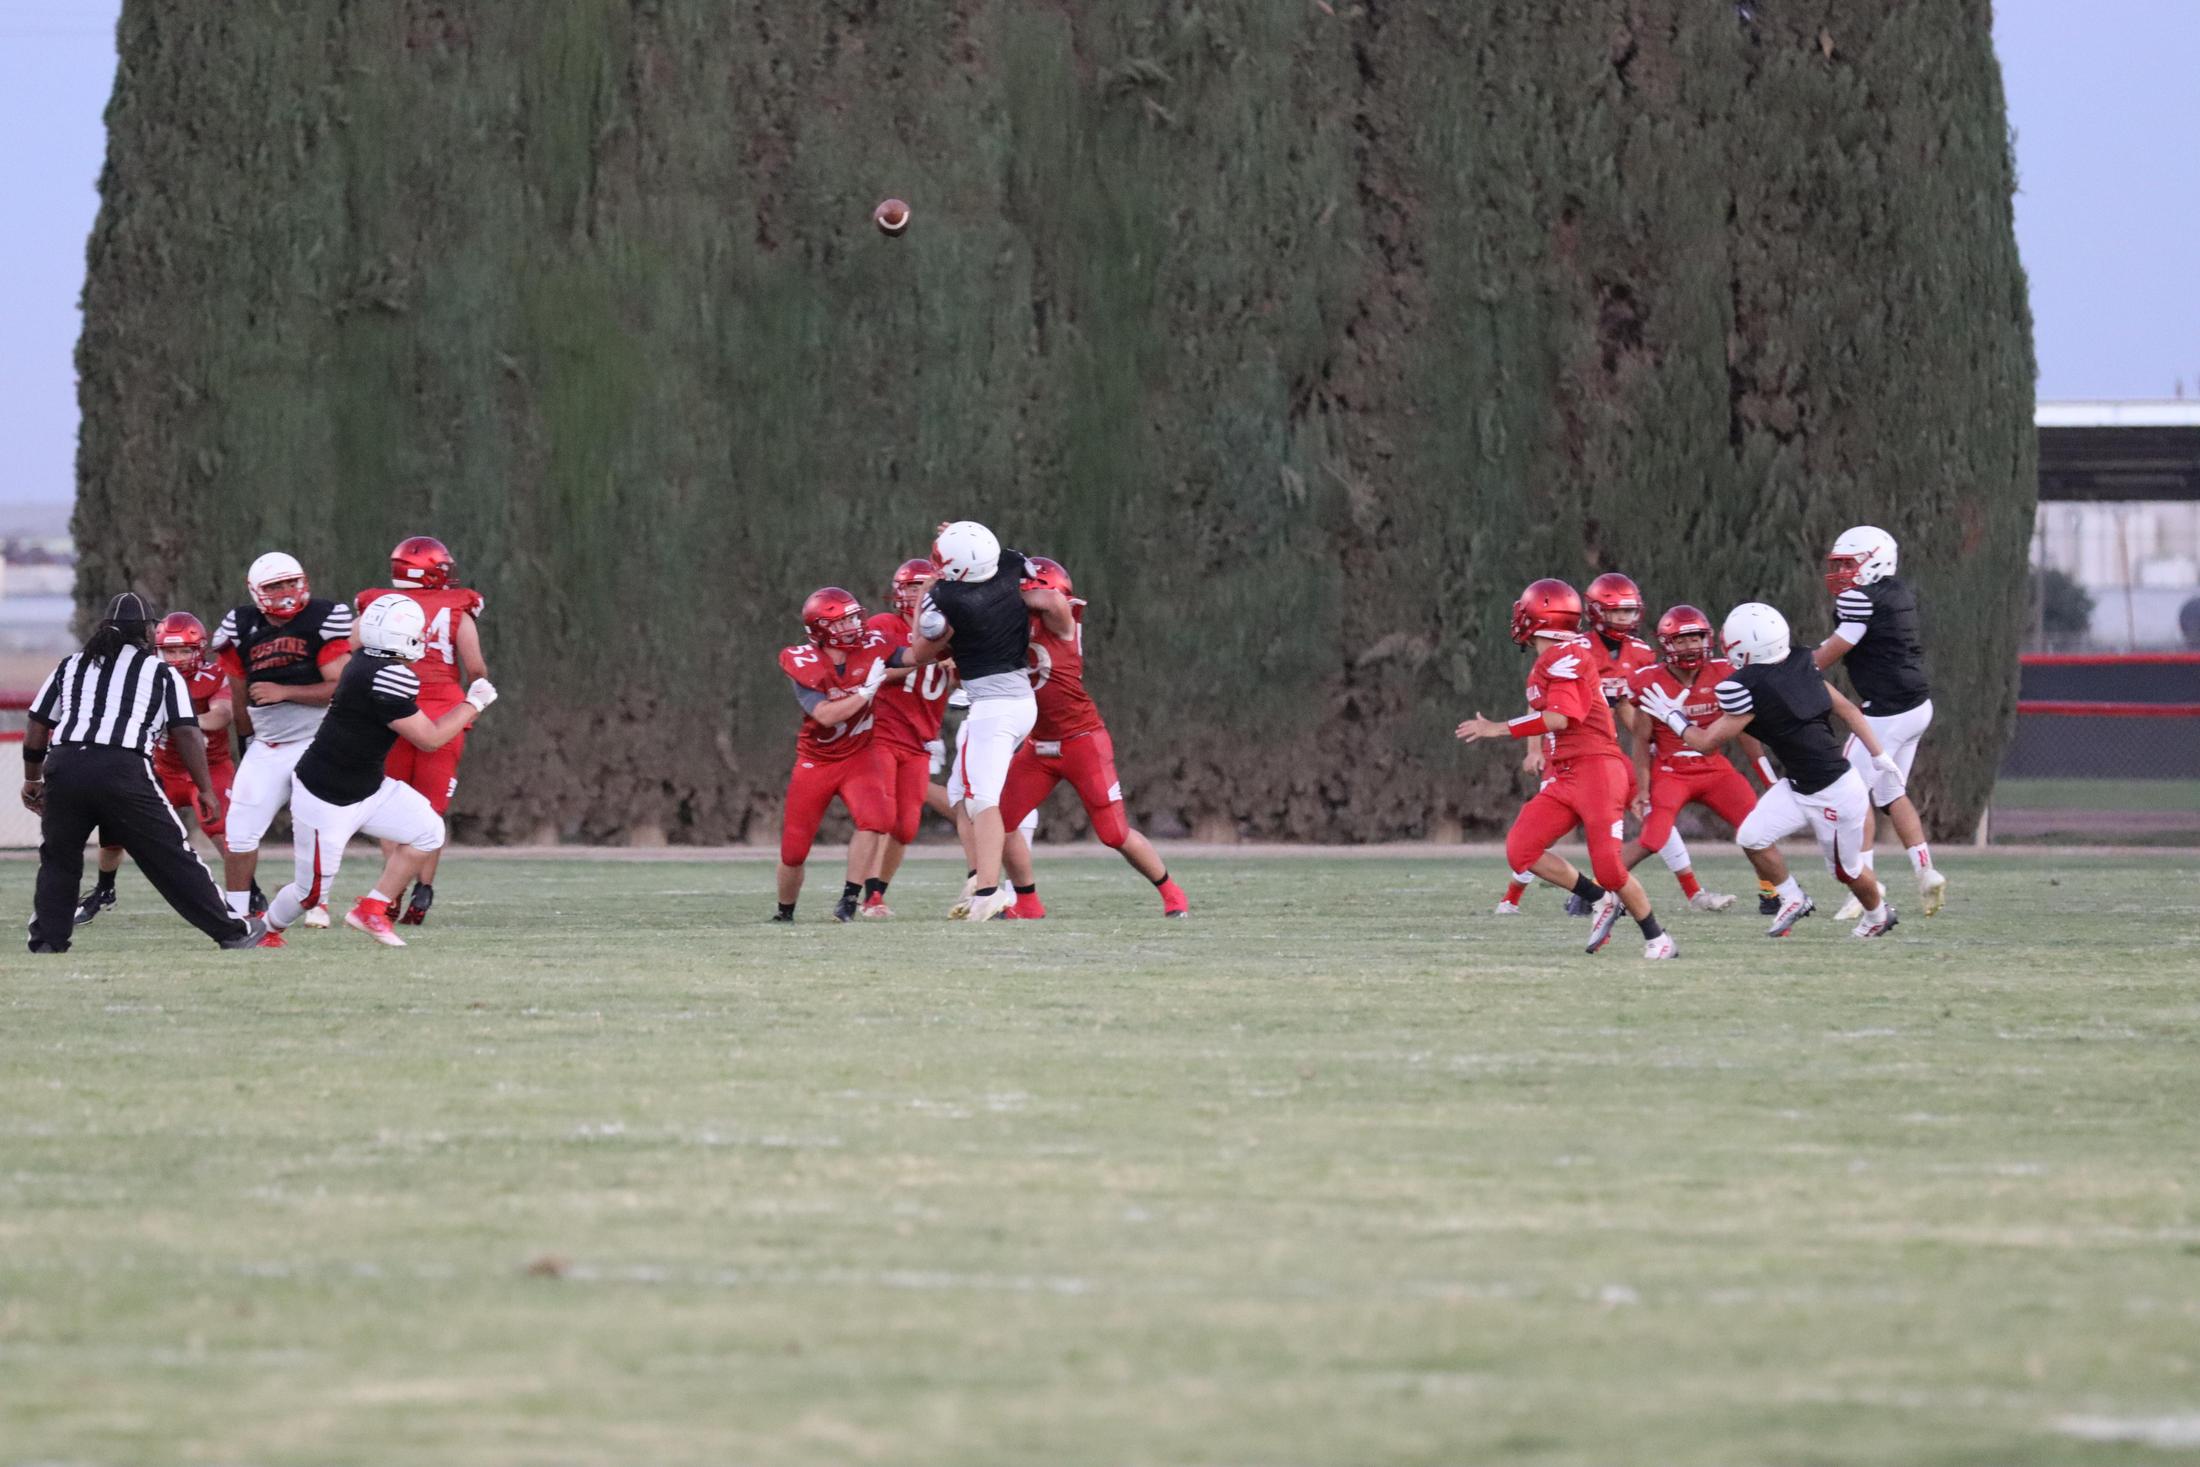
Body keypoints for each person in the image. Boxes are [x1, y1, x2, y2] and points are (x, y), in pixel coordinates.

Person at [1637, 602, 1902, 939]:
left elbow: (1704, 743)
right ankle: (1793, 898)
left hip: (1835, 793)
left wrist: (1673, 716)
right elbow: (1849, 710)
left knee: (1846, 871)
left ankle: (1878, 915)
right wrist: (1879, 755)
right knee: (1751, 837)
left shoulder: (1752, 686)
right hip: (1799, 785)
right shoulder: (1801, 663)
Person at [21, 593, 265, 953]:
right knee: (171, 855)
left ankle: (47, 941)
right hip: (122, 765)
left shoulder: (70, 665)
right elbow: (186, 732)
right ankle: (232, 931)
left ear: (104, 628)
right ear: (150, 633)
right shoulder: (160, 672)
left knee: (59, 858)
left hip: (66, 762)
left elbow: (38, 725)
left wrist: (32, 778)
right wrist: (205, 788)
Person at [1456, 579, 1677, 960]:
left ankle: (1658, 939)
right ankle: (1599, 901)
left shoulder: (1564, 655)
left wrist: (1498, 729)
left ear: (1538, 617)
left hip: (1596, 771)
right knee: (1522, 849)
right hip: (1565, 773)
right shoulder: (1553, 657)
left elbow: (1562, 716)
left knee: (1610, 868)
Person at [260, 595, 495, 947]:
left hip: (367, 787)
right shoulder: (389, 675)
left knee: (429, 832)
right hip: (327, 795)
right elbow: (430, 739)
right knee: (309, 895)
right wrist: (473, 703)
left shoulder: (365, 660)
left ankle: (372, 908)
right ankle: (264, 930)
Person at [995, 556, 1188, 918]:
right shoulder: (1013, 625)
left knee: (1113, 834)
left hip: (1082, 740)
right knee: (999, 823)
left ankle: (1171, 892)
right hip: (1039, 745)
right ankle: (1028, 902)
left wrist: (1002, 588)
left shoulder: (1062, 618)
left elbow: (1050, 601)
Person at [886, 520, 1040, 924]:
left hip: (994, 704)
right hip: (1018, 698)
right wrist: (964, 536)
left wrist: (925, 596)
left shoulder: (950, 599)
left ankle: (991, 892)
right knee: (959, 794)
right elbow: (1010, 560)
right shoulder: (1009, 563)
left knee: (983, 800)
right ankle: (978, 879)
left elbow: (920, 649)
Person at [353, 536, 488, 925]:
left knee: (387, 804)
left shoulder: (376, 605)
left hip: (390, 710)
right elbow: (476, 668)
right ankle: (422, 889)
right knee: (430, 810)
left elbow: (353, 653)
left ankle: (389, 894)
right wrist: (469, 709)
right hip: (443, 713)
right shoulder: (458, 607)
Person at [213, 551, 352, 923]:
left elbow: (341, 688)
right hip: (268, 744)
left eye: (292, 581)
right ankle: (236, 913)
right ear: (257, 591)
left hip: (316, 740)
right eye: (276, 585)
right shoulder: (240, 626)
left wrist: (285, 691)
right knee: (239, 832)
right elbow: (239, 692)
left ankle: (316, 901)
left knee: (312, 828)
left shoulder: (321, 618)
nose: (287, 591)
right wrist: (244, 740)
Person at [1816, 525, 1948, 918]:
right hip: (1917, 707)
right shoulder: (1898, 593)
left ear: (1876, 560)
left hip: (1886, 712)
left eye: (1849, 563)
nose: (1842, 572)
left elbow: (1836, 649)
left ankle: (1865, 884)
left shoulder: (1860, 600)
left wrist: (1791, 669)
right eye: (1838, 565)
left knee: (1849, 795)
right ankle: (1925, 871)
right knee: (1890, 793)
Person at [73, 612, 237, 925]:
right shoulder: (147, 675)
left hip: (209, 767)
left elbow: (222, 714)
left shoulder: (214, 676)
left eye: (183, 651)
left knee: (221, 830)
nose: (175, 658)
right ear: (157, 649)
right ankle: (105, 889)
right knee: (114, 826)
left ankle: (247, 893)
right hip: (161, 768)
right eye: (169, 651)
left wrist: (180, 722)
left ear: (199, 650)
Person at [1617, 604, 1755, 911]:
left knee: (1757, 826)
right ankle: (1593, 888)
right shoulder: (1649, 679)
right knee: (1652, 838)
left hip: (1714, 767)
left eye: (1696, 638)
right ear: (1667, 644)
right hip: (1671, 769)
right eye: (1681, 640)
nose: (1691, 646)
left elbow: (1746, 731)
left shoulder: (1725, 673)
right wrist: (1642, 787)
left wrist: (1763, 771)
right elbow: (1641, 739)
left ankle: (1774, 893)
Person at [774, 587, 894, 923]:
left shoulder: (872, 647)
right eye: (843, 621)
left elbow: (915, 656)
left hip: (859, 754)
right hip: (817, 761)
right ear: (822, 629)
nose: (854, 625)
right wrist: (866, 693)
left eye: (854, 617)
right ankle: (785, 913)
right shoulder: (803, 661)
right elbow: (825, 715)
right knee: (794, 851)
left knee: (877, 820)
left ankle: (849, 900)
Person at [858, 559, 957, 918]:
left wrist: (957, 666)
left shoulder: (949, 630)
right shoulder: (883, 625)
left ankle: (877, 891)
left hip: (921, 739)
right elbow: (871, 672)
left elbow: (962, 683)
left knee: (905, 827)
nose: (918, 594)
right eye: (912, 587)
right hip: (882, 732)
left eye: (924, 586)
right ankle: (868, 897)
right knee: (880, 816)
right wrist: (926, 659)